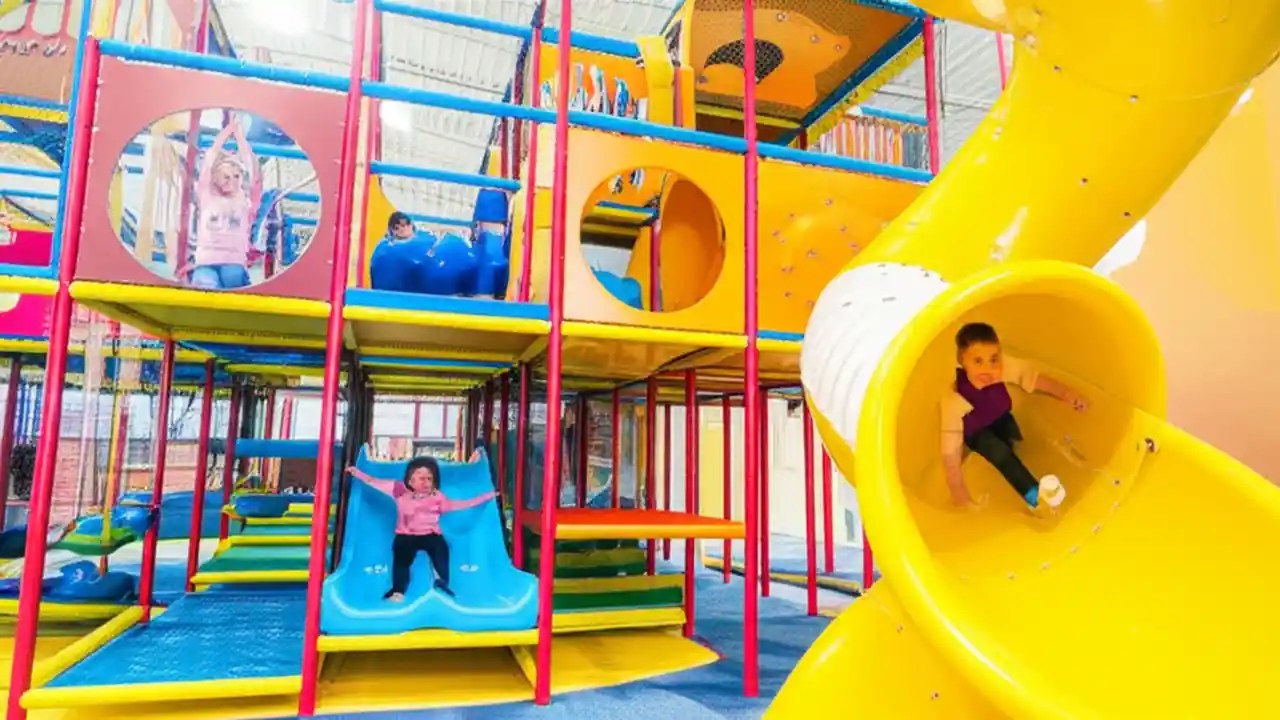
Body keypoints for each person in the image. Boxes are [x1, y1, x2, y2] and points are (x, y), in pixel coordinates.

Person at [940, 323, 1088, 511]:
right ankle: (1036, 499)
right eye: (978, 361)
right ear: (962, 361)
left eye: (994, 358)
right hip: (976, 431)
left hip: (1000, 415)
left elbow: (1034, 379)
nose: (988, 369)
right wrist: (960, 496)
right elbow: (949, 454)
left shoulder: (1002, 367)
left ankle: (1010, 450)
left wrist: (1069, 395)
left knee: (1012, 438)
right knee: (1002, 456)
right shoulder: (954, 399)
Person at [347, 452, 493, 602]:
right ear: (410, 481)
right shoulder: (399, 491)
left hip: (430, 535)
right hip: (406, 535)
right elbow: (374, 481)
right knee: (401, 556)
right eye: (420, 477)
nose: (425, 482)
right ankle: (398, 590)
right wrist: (357, 473)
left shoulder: (437, 497)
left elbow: (459, 505)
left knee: (441, 549)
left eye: (429, 478)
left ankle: (441, 583)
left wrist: (485, 498)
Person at [191, 118, 262, 289]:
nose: (231, 181)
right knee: (205, 284)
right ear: (215, 178)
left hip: (233, 262)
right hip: (206, 262)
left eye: (236, 176)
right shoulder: (207, 196)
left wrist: (239, 136)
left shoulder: (245, 201)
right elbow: (209, 160)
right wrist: (225, 133)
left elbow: (252, 168)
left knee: (232, 277)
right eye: (225, 176)